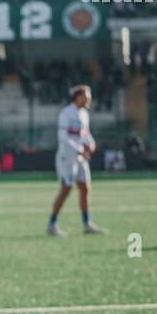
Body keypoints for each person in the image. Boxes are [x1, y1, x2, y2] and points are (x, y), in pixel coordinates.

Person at [48, 85, 104, 237]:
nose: (89, 99)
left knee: (85, 189)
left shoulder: (84, 113)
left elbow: (85, 133)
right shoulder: (66, 113)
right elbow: (64, 138)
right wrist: (80, 150)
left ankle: (87, 224)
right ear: (77, 97)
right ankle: (52, 225)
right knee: (66, 190)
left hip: (80, 158)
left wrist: (91, 144)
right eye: (86, 96)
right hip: (67, 158)